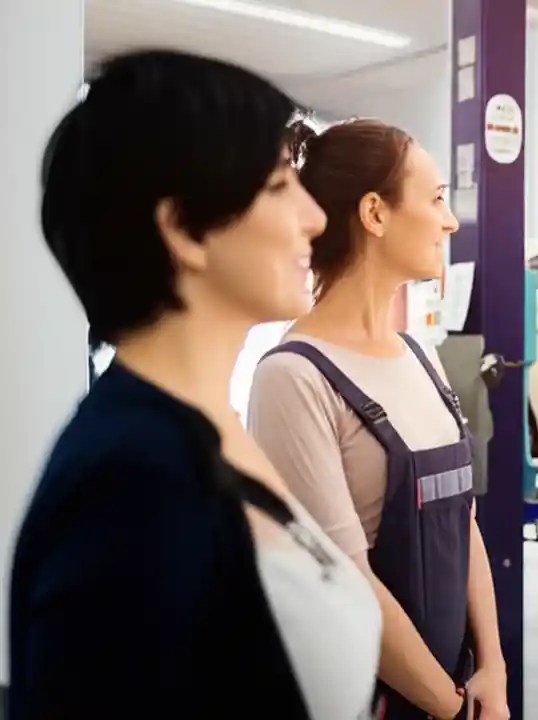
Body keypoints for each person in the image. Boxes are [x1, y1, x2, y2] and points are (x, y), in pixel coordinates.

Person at [7, 50, 382, 719]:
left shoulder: (204, 432)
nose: (316, 217)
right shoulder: (128, 486)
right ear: (183, 229)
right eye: (279, 186)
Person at [246, 118, 508, 720]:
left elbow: (463, 522)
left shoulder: (421, 356)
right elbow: (345, 577)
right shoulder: (294, 377)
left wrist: (493, 666)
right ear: (375, 213)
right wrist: (451, 708)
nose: (451, 221)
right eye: (436, 198)